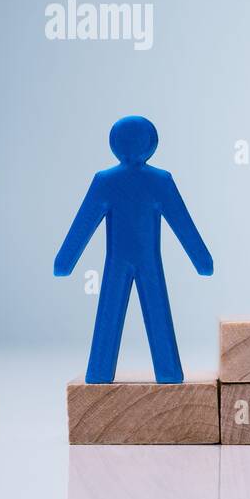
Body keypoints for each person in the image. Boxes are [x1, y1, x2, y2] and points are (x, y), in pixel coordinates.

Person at [54, 116, 213, 383]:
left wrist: (65, 261)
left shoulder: (106, 180)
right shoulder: (159, 180)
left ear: (114, 144)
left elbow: (82, 224)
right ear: (151, 144)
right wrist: (201, 260)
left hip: (119, 261)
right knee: (156, 309)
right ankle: (168, 371)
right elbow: (183, 223)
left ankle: (100, 371)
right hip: (145, 261)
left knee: (110, 309)